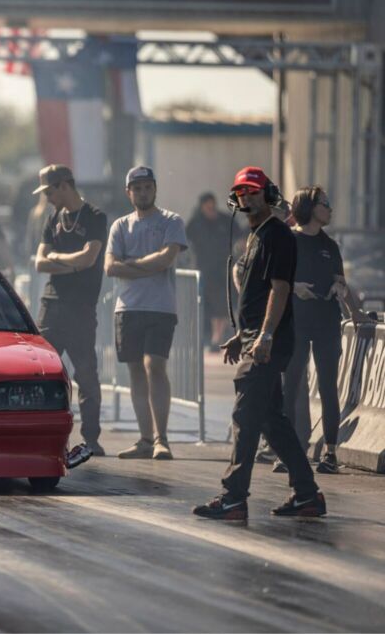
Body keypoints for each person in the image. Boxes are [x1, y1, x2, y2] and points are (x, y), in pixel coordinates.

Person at [193, 166, 325, 520]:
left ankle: (234, 498)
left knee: (244, 413)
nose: (246, 197)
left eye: (253, 191)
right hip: (256, 337)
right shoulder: (255, 237)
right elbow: (259, 293)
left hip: (270, 341)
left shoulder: (277, 235)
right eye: (241, 192)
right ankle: (308, 495)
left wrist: (264, 335)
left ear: (268, 195)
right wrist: (243, 333)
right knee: (270, 419)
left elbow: (280, 289)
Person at [279, 186, 371, 474]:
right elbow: (273, 280)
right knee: (292, 384)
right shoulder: (289, 242)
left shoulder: (330, 246)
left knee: (328, 386)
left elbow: (341, 282)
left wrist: (341, 289)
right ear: (308, 207)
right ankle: (289, 451)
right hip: (296, 321)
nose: (330, 209)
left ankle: (330, 453)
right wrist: (296, 288)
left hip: (326, 322)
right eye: (324, 204)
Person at [105, 166, 188, 460]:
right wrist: (145, 265)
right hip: (128, 307)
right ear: (129, 192)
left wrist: (131, 264)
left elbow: (166, 260)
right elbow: (110, 266)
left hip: (160, 307)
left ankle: (161, 438)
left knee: (155, 365)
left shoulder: (170, 221)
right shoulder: (120, 226)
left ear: (155, 189)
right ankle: (144, 439)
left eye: (147, 187)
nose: (142, 192)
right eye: (137, 188)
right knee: (136, 371)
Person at [33, 164, 108, 456]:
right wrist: (71, 263)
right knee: (40, 372)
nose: (47, 197)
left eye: (49, 191)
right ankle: (41, 433)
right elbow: (40, 263)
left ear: (64, 185)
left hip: (80, 307)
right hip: (51, 304)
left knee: (86, 373)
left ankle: (91, 438)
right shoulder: (52, 219)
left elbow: (89, 259)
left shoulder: (95, 216)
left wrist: (58, 259)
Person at [186, 193, 244, 350]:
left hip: (223, 269)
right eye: (207, 206)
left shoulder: (225, 220)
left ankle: (217, 338)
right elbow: (186, 242)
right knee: (210, 307)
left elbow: (240, 236)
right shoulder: (196, 223)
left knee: (224, 305)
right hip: (205, 270)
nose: (210, 209)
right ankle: (214, 337)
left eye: (212, 205)